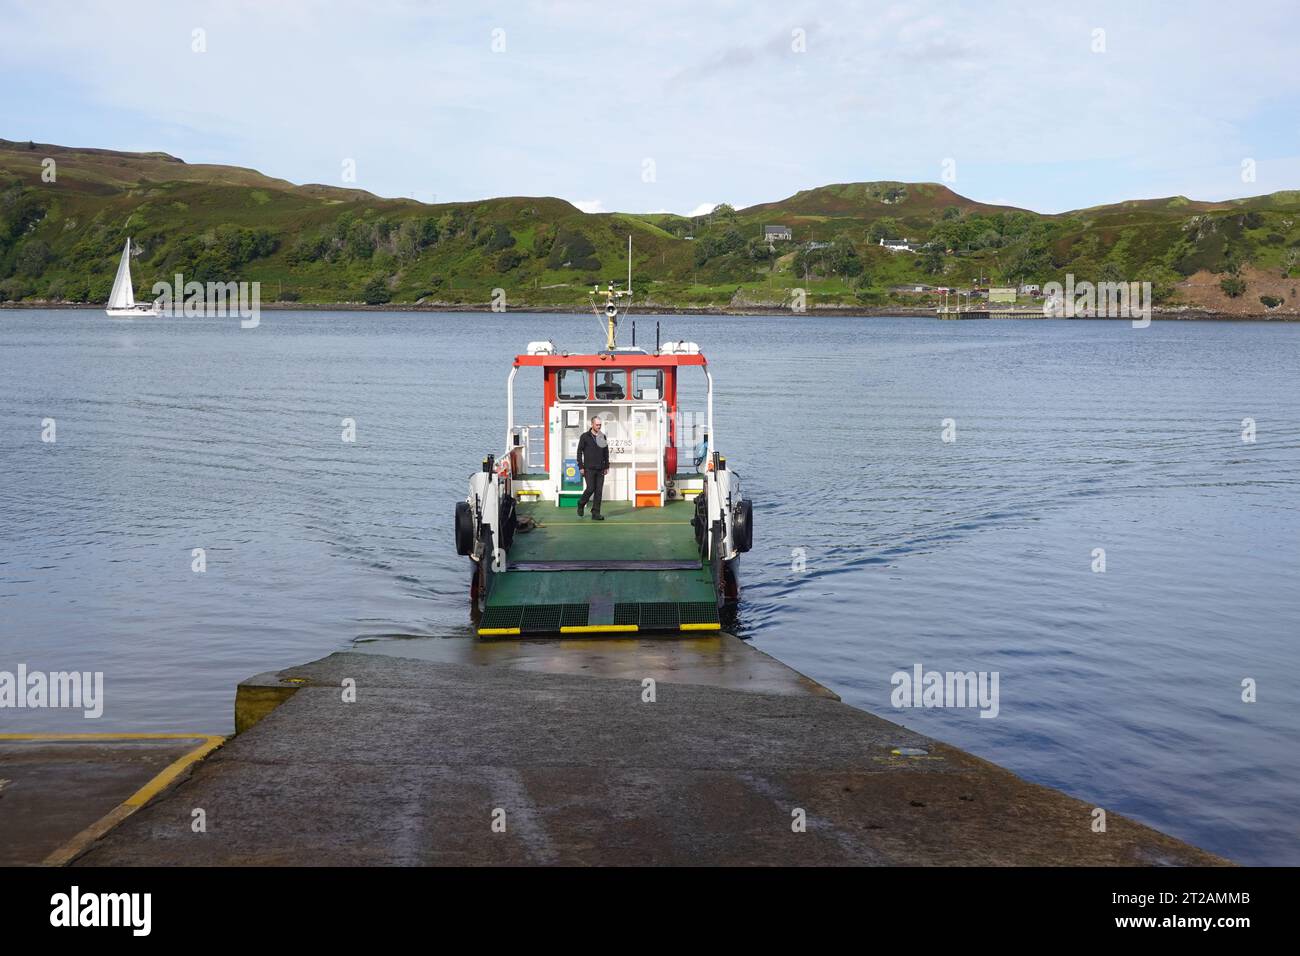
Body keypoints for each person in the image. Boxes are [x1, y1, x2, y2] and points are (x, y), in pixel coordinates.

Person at [576, 417, 609, 520]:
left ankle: (595, 513)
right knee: (590, 488)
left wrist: (606, 466)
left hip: (600, 468)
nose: (599, 427)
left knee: (598, 491)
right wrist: (580, 466)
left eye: (600, 425)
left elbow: (605, 452)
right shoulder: (585, 437)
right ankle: (581, 503)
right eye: (597, 425)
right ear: (592, 424)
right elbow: (579, 452)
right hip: (589, 468)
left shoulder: (602, 436)